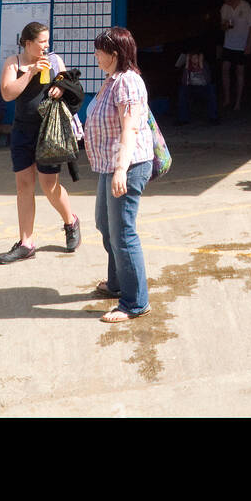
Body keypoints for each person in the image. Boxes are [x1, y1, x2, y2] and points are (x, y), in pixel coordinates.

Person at [85, 27, 155, 323]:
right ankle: (117, 283)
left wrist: (122, 170)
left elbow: (131, 129)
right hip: (109, 165)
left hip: (127, 165)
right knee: (106, 224)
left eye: (100, 50)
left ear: (114, 54)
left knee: (123, 233)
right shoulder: (110, 80)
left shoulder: (127, 83)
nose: (96, 55)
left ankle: (135, 302)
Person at [0, 22, 82, 264]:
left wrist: (59, 88)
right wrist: (31, 72)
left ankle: (70, 221)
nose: (46, 45)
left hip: (48, 131)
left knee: (48, 185)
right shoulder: (14, 62)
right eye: (42, 41)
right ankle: (26, 242)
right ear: (28, 43)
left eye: (47, 40)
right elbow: (7, 93)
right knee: (24, 185)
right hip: (23, 130)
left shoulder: (55, 61)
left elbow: (69, 85)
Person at [220, 0, 251, 111]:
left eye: (229, 0)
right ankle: (227, 98)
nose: (227, 3)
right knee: (225, 69)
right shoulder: (225, 7)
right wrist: (225, 26)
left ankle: (238, 102)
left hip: (241, 44)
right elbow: (222, 25)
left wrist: (248, 44)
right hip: (228, 43)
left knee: (239, 72)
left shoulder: (245, 6)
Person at [175, 44, 218, 124]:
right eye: (192, 58)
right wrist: (187, 65)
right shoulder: (188, 66)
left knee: (211, 88)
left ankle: (213, 118)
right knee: (182, 90)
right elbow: (184, 82)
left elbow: (208, 80)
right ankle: (183, 119)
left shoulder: (204, 65)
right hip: (192, 88)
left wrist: (201, 66)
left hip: (203, 88)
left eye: (196, 58)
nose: (194, 60)